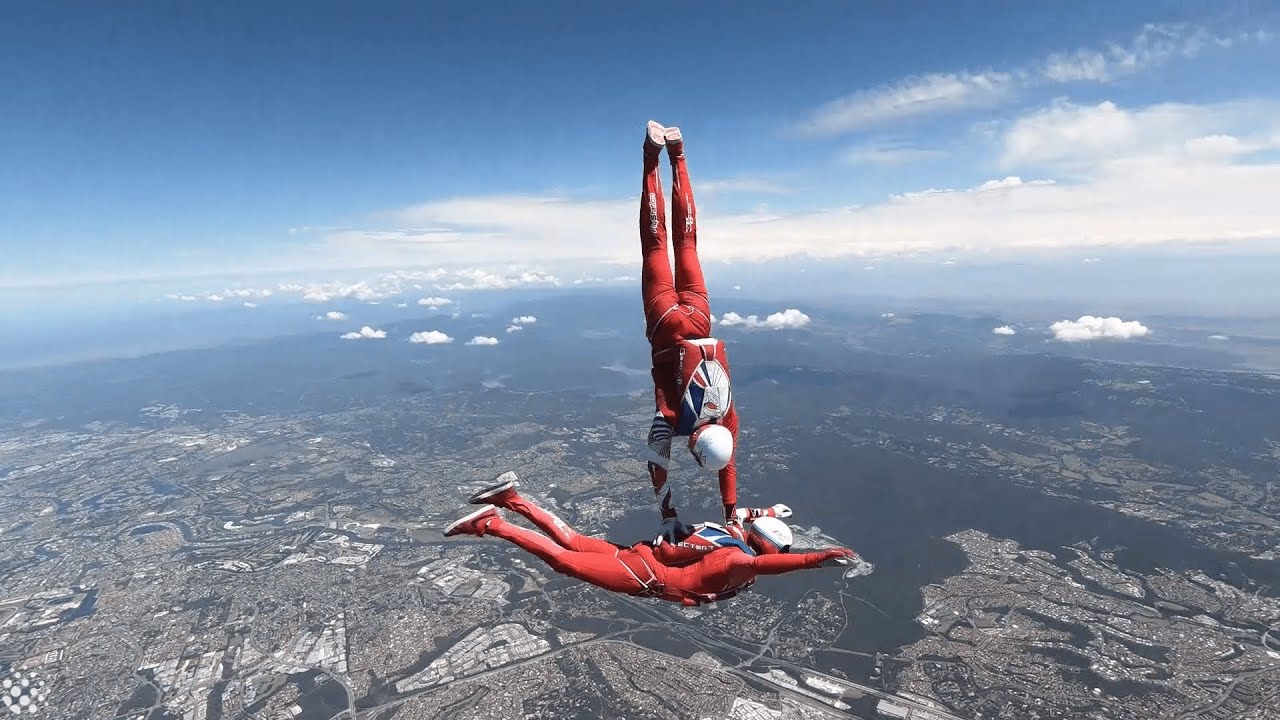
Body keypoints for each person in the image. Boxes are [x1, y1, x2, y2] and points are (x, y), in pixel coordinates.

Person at [444, 476, 857, 606]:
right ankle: (492, 524)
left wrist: (771, 512)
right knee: (564, 560)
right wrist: (815, 559)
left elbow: (743, 516)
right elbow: (765, 564)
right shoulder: (739, 563)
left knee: (571, 540)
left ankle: (511, 498)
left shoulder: (733, 534)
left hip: (639, 554)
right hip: (644, 575)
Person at [640, 120, 739, 534]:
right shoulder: (672, 416)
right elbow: (656, 464)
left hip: (699, 318)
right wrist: (669, 515)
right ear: (695, 447)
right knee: (655, 245)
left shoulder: (727, 418)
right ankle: (650, 156)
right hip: (665, 323)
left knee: (687, 244)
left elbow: (728, 466)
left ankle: (677, 153)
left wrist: (732, 511)